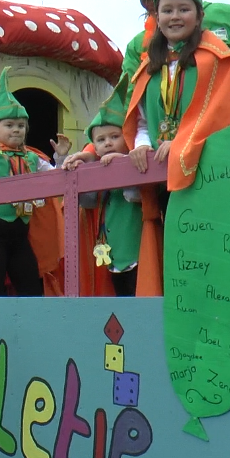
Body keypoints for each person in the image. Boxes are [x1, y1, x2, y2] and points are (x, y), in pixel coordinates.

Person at [121, 0, 230, 296]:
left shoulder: (216, 58)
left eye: (183, 9)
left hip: (209, 176)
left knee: (211, 256)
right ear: (156, 16)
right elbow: (144, 119)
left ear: (198, 14)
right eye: (166, 10)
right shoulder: (150, 64)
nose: (174, 17)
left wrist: (183, 142)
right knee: (175, 257)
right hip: (165, 174)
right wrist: (142, 147)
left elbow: (223, 115)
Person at [0, 67, 67, 297]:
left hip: (20, 231)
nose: (16, 130)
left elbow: (56, 179)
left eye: (20, 126)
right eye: (9, 125)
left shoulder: (33, 157)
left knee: (30, 284)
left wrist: (61, 157)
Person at [62, 76, 144, 296]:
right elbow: (88, 203)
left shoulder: (139, 165)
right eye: (101, 140)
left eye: (115, 137)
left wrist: (122, 165)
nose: (108, 143)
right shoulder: (99, 166)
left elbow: (136, 195)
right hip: (112, 250)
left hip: (137, 250)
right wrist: (84, 169)